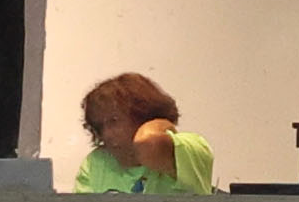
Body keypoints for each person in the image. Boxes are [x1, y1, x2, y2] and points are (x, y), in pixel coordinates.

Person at [69, 71, 217, 195]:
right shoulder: (96, 162)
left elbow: (147, 145)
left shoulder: (190, 147)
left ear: (142, 115)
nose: (106, 134)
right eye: (100, 125)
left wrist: (162, 122)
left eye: (114, 121)